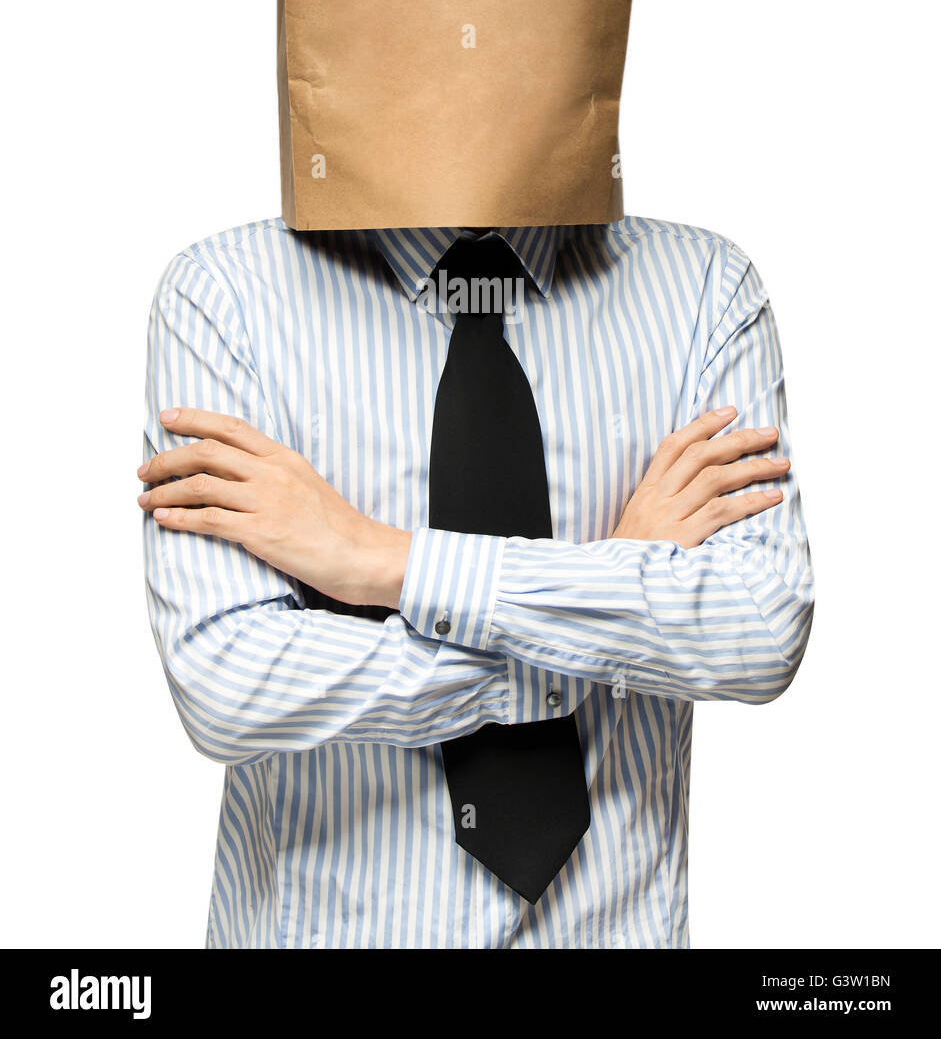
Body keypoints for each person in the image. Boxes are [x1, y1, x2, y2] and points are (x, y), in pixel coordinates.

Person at [139, 215, 813, 948]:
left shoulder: (701, 290)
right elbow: (226, 683)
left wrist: (385, 561)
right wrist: (607, 589)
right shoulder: (226, 294)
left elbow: (758, 623)